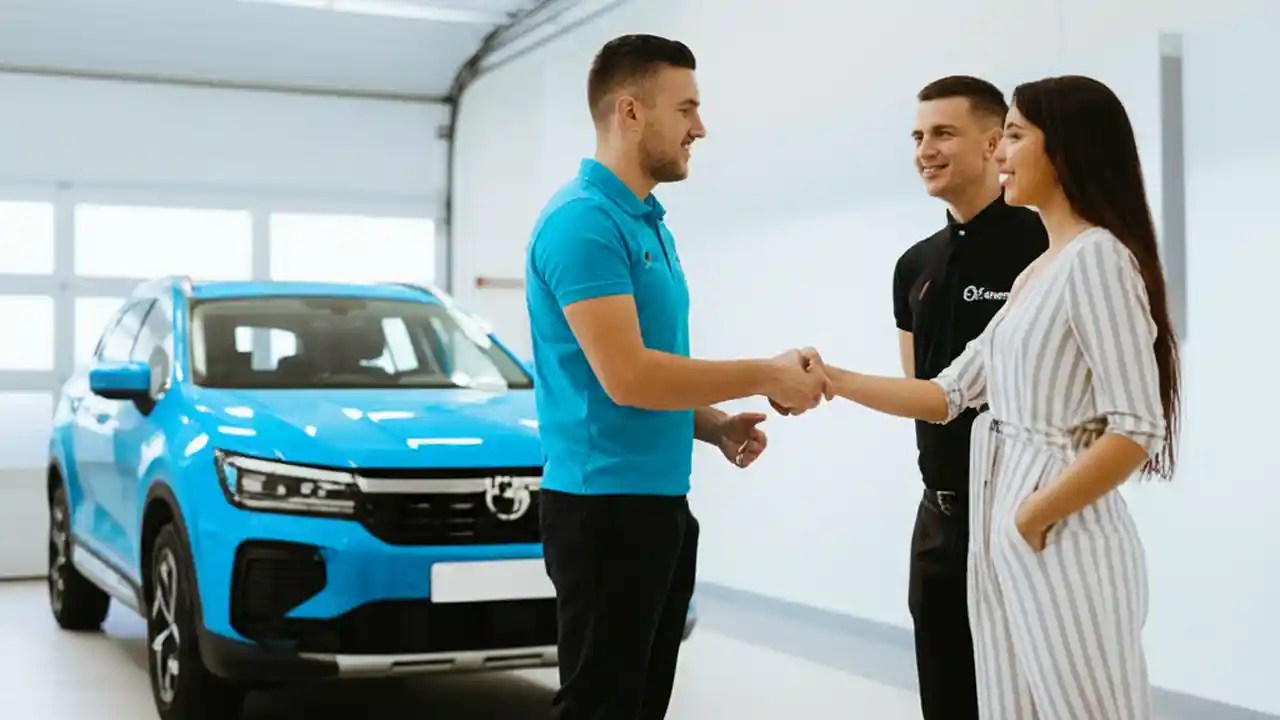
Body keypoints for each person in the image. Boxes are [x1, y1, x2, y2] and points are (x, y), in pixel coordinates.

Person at [814, 74, 1181, 719]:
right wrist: (831, 380)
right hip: (1004, 533)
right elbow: (948, 392)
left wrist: (1030, 517)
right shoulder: (1042, 269)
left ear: (1062, 150)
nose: (1000, 153)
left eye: (1013, 135)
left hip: (1059, 537)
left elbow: (1137, 426)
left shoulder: (1096, 259)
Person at [524, 34, 825, 719]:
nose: (700, 126)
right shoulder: (583, 224)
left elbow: (634, 377)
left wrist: (712, 425)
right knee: (602, 705)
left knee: (639, 704)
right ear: (631, 112)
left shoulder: (646, 222)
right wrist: (764, 374)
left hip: (657, 504)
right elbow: (628, 377)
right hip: (604, 512)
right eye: (687, 107)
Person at [896, 76, 1047, 720]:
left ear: (993, 144)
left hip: (1021, 518)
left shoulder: (1043, 247)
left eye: (943, 133)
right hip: (940, 521)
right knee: (948, 697)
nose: (926, 149)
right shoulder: (913, 266)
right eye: (918, 135)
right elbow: (919, 397)